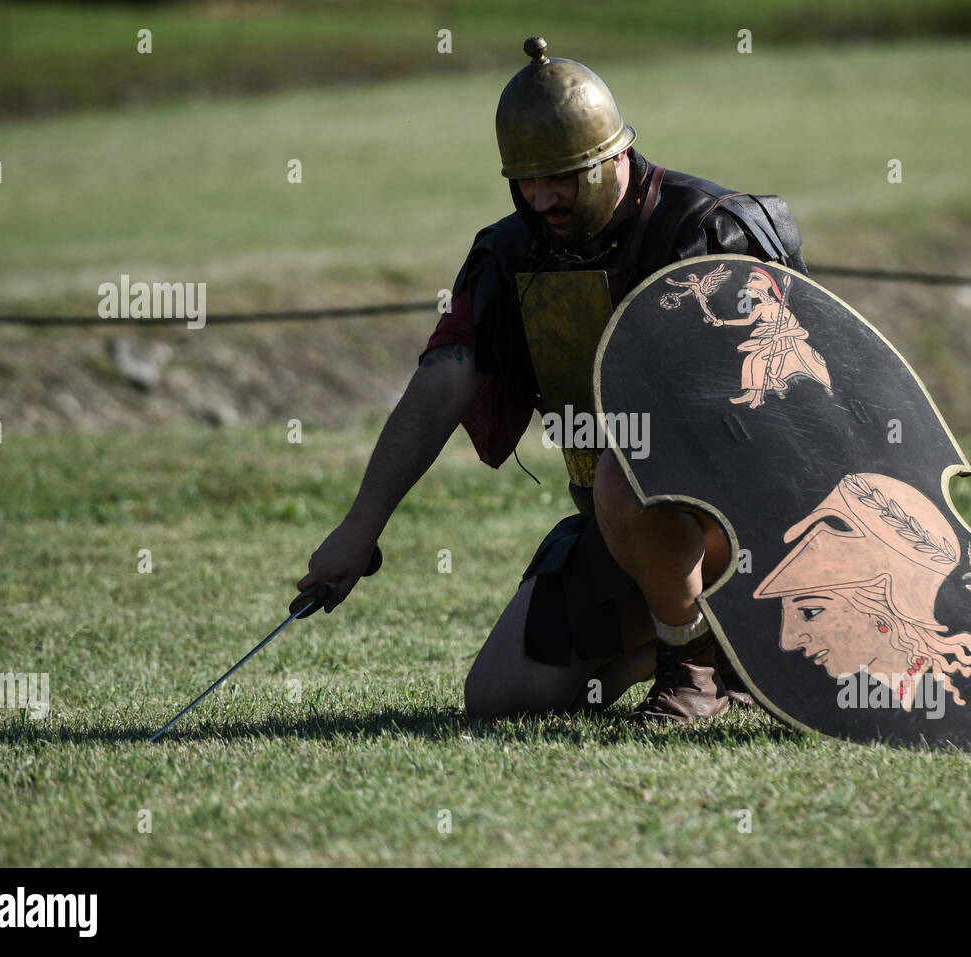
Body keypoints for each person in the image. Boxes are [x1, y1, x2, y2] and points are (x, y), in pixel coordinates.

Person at [297, 36, 810, 723]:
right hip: (626, 528)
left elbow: (803, 400)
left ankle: (695, 666)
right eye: (526, 181)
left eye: (562, 177)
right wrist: (360, 528)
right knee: (501, 697)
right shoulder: (511, 254)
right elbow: (444, 381)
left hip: (756, 522)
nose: (542, 198)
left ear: (613, 157)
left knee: (626, 469)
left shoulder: (710, 233)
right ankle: (715, 647)